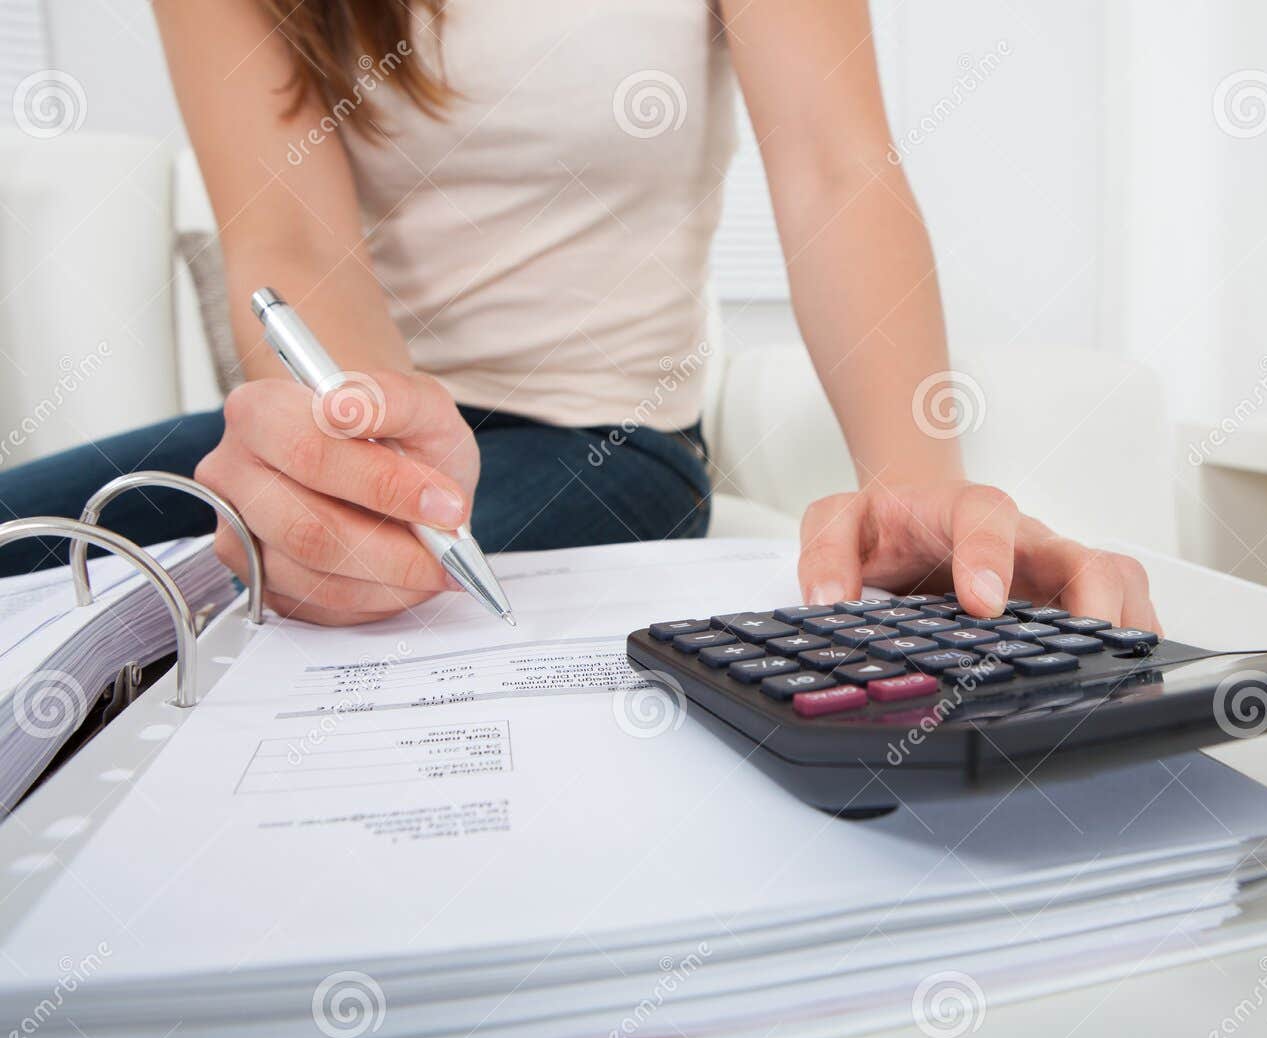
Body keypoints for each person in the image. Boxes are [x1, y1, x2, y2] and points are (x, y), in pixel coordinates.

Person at [0, 0, 1158, 630]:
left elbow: (834, 166)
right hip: (372, 414)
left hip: (603, 443)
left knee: (204, 613)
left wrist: (915, 494)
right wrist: (371, 457)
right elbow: (291, 240)